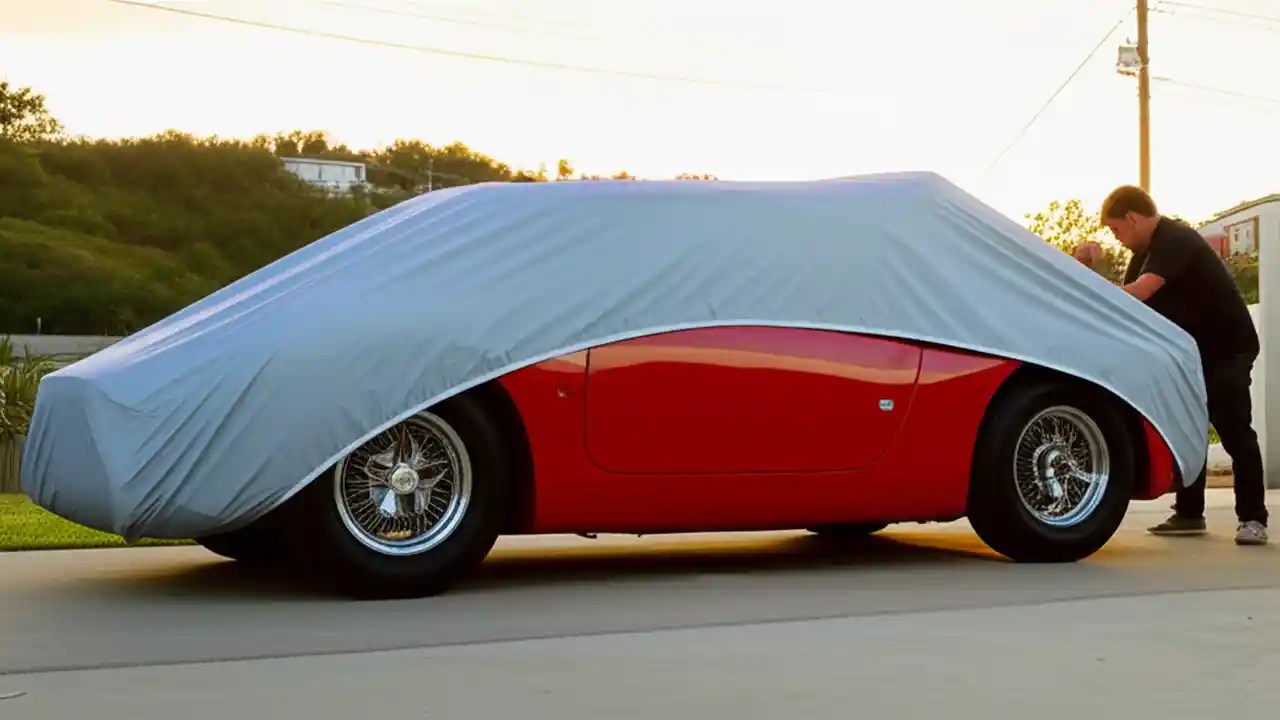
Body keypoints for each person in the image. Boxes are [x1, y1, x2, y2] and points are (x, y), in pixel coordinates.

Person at [1089, 185, 1266, 545]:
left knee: (1234, 429)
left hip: (1228, 348)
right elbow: (1130, 311)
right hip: (1193, 354)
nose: (1117, 239)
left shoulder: (1175, 239)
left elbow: (1139, 293)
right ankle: (1189, 513)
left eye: (1116, 230)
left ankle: (1253, 519)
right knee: (1190, 424)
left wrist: (1084, 286)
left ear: (1133, 218)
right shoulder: (1143, 254)